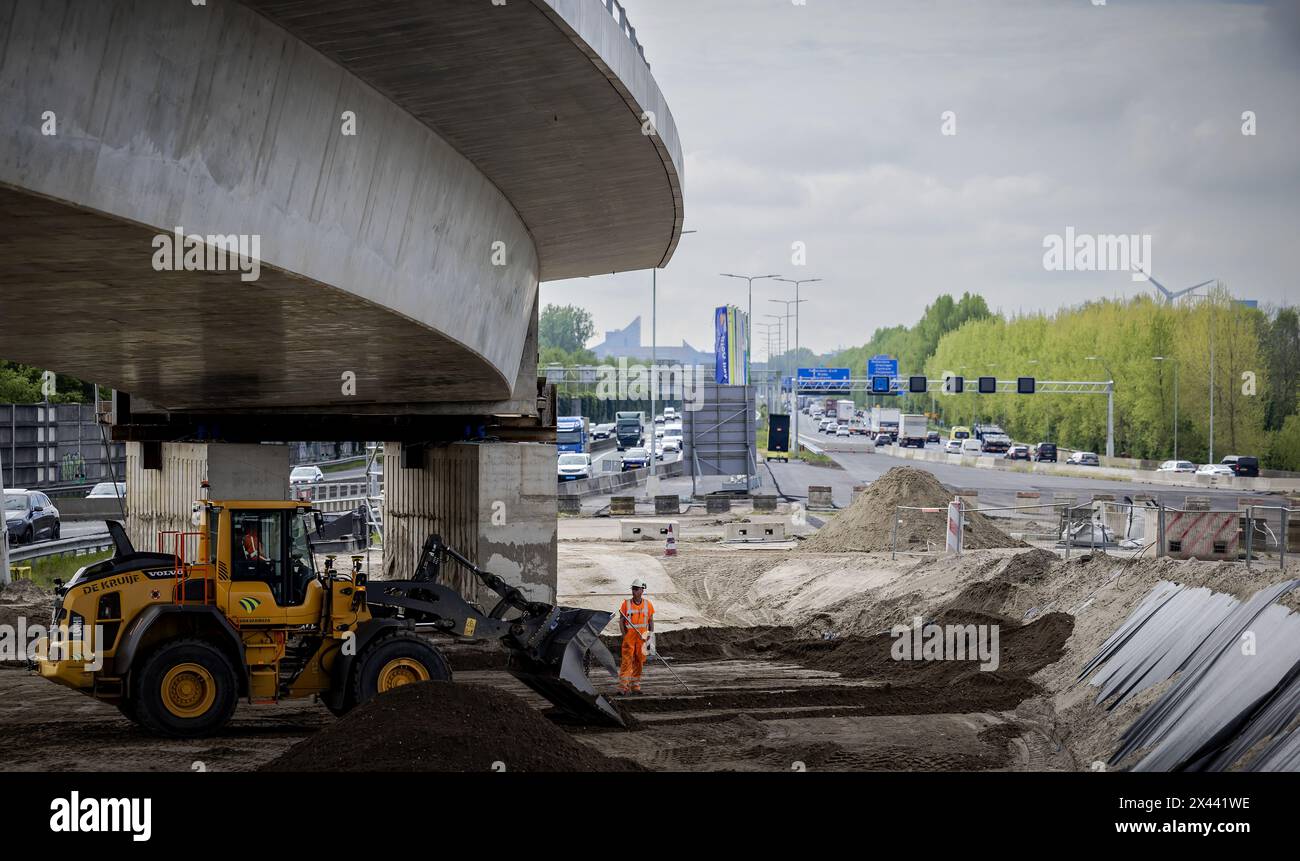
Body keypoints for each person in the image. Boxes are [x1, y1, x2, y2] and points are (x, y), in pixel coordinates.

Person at [618, 577, 655, 695]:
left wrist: (650, 635)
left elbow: (651, 621)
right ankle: (623, 687)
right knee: (627, 661)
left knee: (639, 661)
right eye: (633, 589)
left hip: (642, 637)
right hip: (630, 637)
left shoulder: (648, 605)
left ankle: (635, 686)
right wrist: (625, 636)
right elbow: (621, 621)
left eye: (636, 589)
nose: (634, 591)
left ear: (642, 590)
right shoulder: (626, 604)